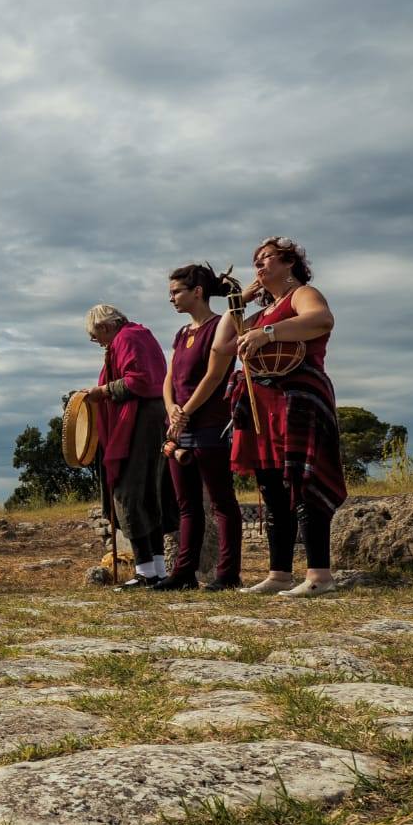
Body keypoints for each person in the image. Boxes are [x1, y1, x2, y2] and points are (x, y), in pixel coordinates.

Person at [230, 236, 346, 597]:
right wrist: (242, 300)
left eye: (266, 259)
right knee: (271, 485)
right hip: (263, 400)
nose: (259, 266)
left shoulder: (302, 294)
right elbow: (222, 342)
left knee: (302, 482)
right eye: (256, 262)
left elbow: (322, 319)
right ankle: (279, 573)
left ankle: (319, 576)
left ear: (289, 263)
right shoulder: (264, 308)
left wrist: (268, 333)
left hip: (298, 397)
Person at [156, 263, 244, 591]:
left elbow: (215, 375)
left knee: (222, 501)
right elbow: (169, 377)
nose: (172, 299)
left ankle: (227, 574)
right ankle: (184, 573)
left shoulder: (221, 325)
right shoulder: (182, 334)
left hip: (209, 425)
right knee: (187, 505)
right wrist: (171, 410)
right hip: (178, 426)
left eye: (176, 291)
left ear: (197, 292)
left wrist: (185, 413)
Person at [84, 305, 174, 589]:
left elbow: (141, 380)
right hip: (146, 420)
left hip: (139, 423)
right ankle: (155, 570)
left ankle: (147, 571)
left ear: (106, 326)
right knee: (147, 494)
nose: (94, 340)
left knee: (129, 493)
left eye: (94, 333)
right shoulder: (136, 335)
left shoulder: (127, 338)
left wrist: (104, 391)